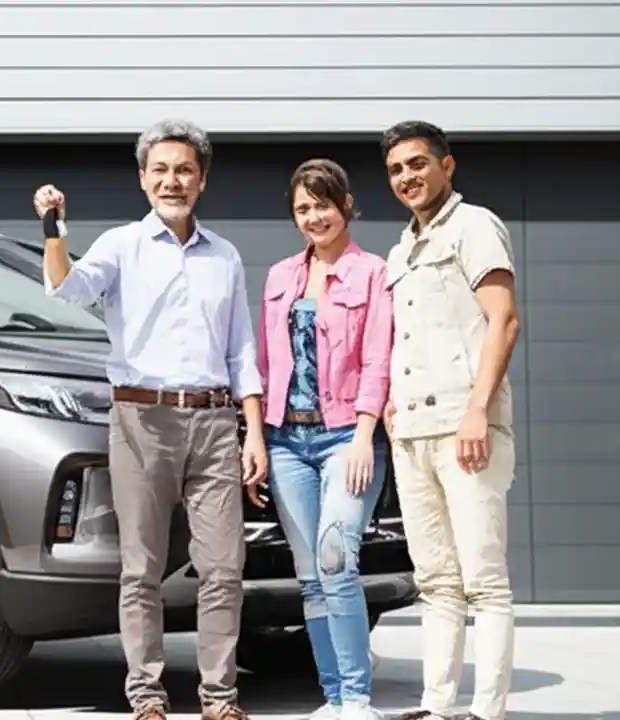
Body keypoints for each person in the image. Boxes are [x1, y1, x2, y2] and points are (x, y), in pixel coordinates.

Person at [32, 118, 267, 720]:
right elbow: (64, 288)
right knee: (142, 566)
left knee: (224, 567)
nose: (172, 180)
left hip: (215, 424)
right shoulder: (119, 246)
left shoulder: (226, 256)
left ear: (202, 179)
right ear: (142, 179)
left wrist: (254, 431)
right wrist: (53, 226)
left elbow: (241, 350)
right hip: (141, 421)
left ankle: (219, 697)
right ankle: (147, 694)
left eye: (184, 170)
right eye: (160, 170)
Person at [378, 121, 522, 720]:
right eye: (395, 170)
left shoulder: (474, 226)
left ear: (447, 165)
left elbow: (504, 320)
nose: (407, 177)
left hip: (468, 430)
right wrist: (389, 407)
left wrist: (477, 412)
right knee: (435, 582)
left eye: (417, 164)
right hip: (411, 434)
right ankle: (438, 708)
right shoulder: (399, 249)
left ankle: (486, 712)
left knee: (484, 582)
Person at [250, 159, 394, 720]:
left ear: (346, 205)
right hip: (286, 441)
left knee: (338, 562)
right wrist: (258, 439)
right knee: (310, 578)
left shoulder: (373, 273)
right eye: (303, 208)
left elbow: (379, 358)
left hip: (344, 440)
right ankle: (332, 699)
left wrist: (364, 435)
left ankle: (358, 698)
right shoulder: (281, 276)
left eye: (323, 205)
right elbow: (263, 362)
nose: (314, 217)